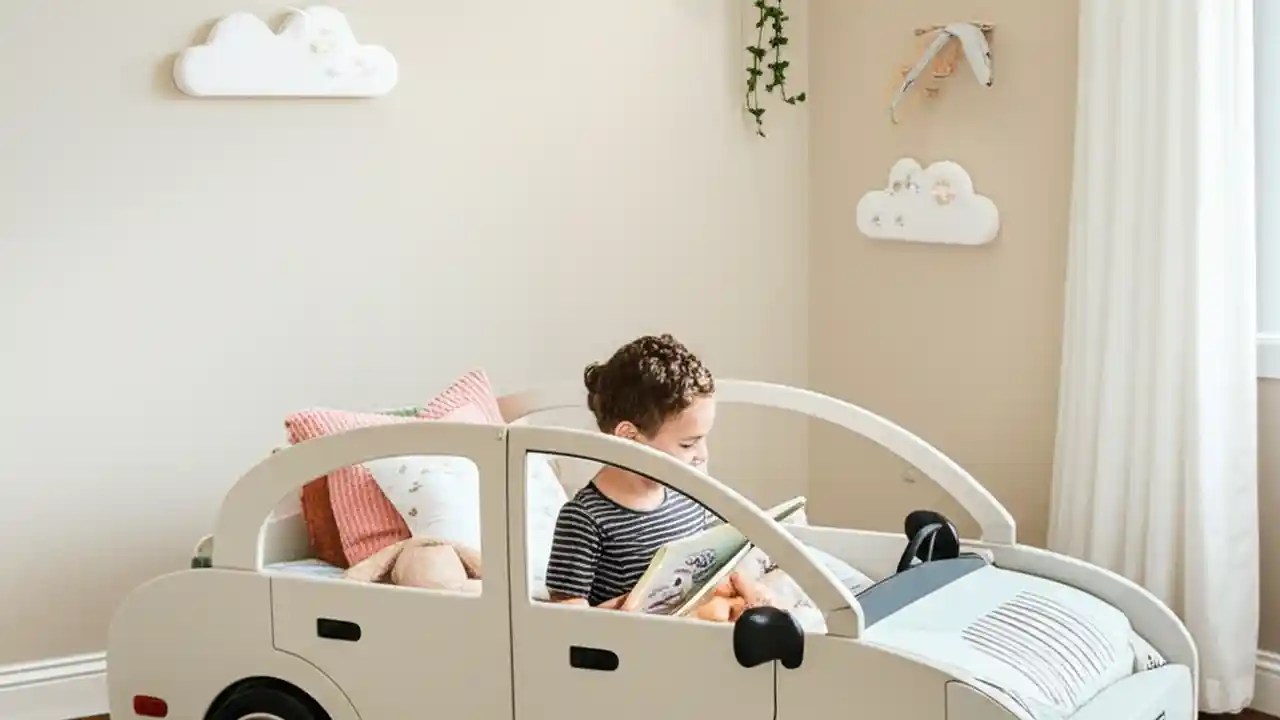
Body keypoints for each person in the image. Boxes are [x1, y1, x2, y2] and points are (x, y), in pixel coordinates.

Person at [544, 334, 768, 616]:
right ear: (629, 437)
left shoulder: (689, 493)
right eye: (687, 444)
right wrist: (629, 607)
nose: (702, 454)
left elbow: (714, 561)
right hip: (641, 639)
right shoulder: (584, 518)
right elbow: (564, 619)